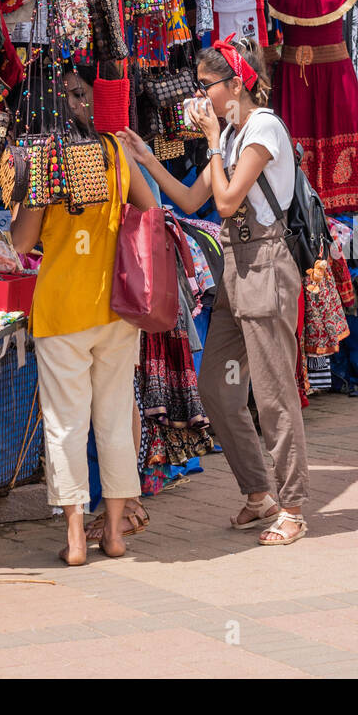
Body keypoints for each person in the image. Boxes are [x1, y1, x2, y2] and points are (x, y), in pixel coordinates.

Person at [116, 35, 311, 546]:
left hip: (267, 267)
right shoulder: (230, 134)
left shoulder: (262, 128)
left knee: (272, 395)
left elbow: (224, 202)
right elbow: (188, 196)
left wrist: (211, 140)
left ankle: (291, 506)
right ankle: (258, 493)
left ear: (237, 83)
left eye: (206, 87)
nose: (200, 99)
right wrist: (143, 158)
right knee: (218, 391)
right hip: (235, 272)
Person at [11, 70, 158, 567]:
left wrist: (18, 202)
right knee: (114, 420)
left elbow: (20, 244)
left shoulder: (41, 162)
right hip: (117, 309)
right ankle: (114, 534)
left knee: (65, 426)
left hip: (61, 312)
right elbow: (150, 207)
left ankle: (76, 540)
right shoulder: (115, 153)